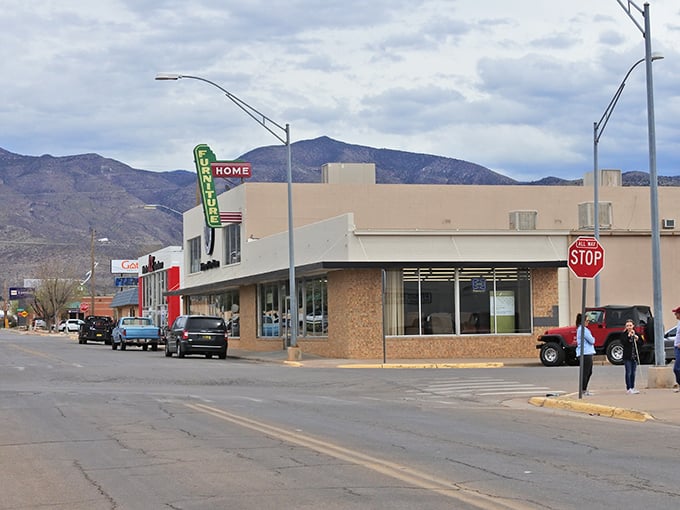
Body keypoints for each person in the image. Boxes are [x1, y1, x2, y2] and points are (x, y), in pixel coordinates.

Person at [576, 313, 596, 395]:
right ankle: (583, 389)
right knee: (586, 372)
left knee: (589, 372)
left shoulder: (582, 329)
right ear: (583, 321)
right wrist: (593, 338)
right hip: (585, 353)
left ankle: (584, 389)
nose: (588, 322)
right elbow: (592, 340)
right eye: (587, 320)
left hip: (587, 352)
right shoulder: (583, 330)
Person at [622, 319, 641, 394]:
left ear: (633, 326)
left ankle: (632, 387)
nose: (629, 327)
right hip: (627, 356)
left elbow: (641, 343)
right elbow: (623, 342)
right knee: (628, 372)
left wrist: (637, 338)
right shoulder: (623, 334)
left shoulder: (636, 333)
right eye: (627, 326)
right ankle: (628, 388)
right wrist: (628, 336)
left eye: (630, 325)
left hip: (634, 356)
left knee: (633, 372)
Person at [673, 307, 680, 392]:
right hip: (676, 347)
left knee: (677, 368)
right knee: (677, 368)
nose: (675, 315)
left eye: (676, 313)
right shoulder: (678, 323)